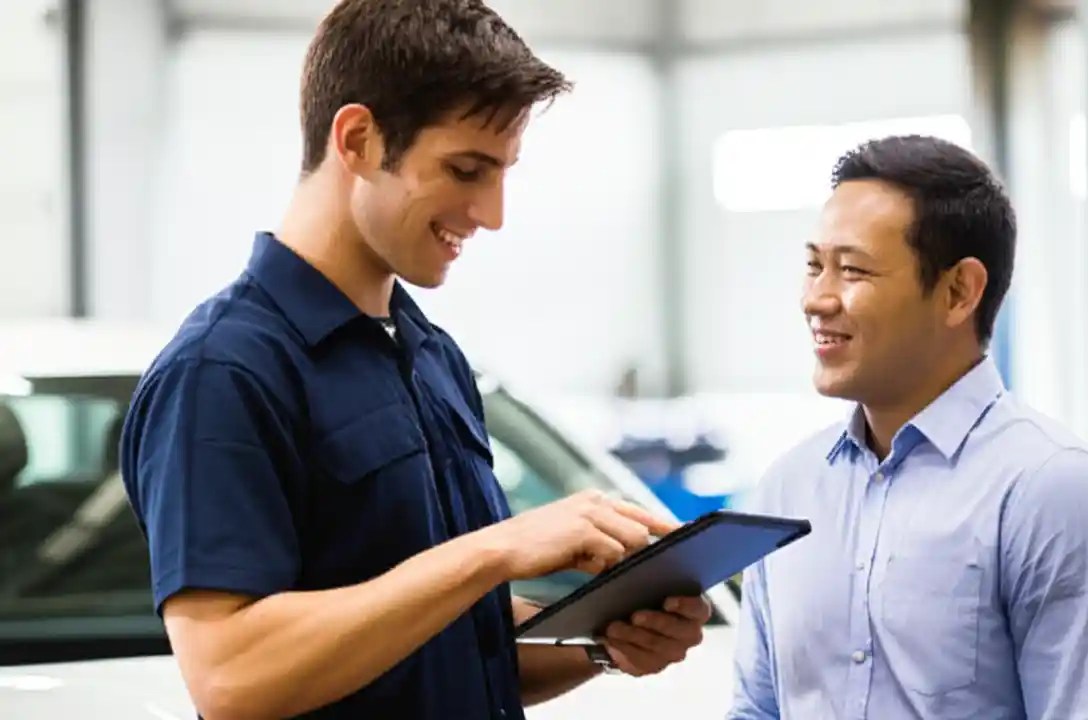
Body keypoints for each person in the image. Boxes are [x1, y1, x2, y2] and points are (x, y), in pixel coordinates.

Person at [118, 2, 711, 718]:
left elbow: (454, 642)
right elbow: (232, 676)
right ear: (360, 139)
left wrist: (602, 640)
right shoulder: (224, 372)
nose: (491, 213)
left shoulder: (430, 357)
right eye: (466, 170)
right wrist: (493, 551)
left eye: (502, 174)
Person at [726, 135, 1088, 720]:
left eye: (852, 270)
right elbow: (757, 709)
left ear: (957, 292)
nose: (816, 299)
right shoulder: (788, 490)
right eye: (815, 265)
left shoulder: (1052, 492)